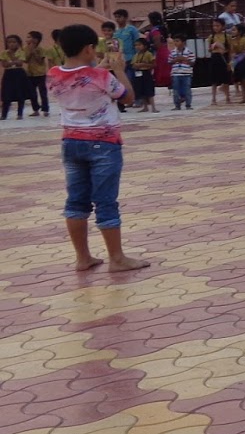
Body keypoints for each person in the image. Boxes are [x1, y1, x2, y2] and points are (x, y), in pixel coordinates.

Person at [47, 22, 148, 272]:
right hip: (103, 143)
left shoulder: (53, 74)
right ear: (90, 49)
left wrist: (98, 70)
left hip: (71, 141)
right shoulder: (101, 77)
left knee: (76, 202)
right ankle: (117, 258)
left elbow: (79, 81)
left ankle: (83, 258)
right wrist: (119, 70)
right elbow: (127, 97)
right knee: (105, 201)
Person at [25, 31, 58, 116]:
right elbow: (26, 60)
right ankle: (35, 109)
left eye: (29, 37)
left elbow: (40, 61)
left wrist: (34, 52)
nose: (27, 39)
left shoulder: (42, 49)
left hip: (41, 74)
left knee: (42, 93)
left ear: (36, 40)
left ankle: (45, 109)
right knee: (32, 93)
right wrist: (30, 51)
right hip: (30, 73)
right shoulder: (25, 49)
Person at [0, 35, 30, 119]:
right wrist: (14, 61)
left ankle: (20, 114)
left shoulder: (21, 52)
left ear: (18, 43)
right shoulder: (3, 53)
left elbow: (20, 63)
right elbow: (4, 64)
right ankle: (4, 115)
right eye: (9, 42)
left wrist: (10, 60)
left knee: (20, 93)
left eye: (14, 42)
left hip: (19, 74)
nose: (11, 44)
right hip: (8, 74)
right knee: (6, 94)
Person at [227, 24, 245, 103]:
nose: (232, 31)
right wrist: (233, 57)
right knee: (241, 80)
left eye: (234, 30)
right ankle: (244, 98)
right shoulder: (233, 40)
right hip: (238, 61)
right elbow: (232, 52)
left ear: (240, 32)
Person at [129, 38, 157, 112]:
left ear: (145, 46)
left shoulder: (148, 54)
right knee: (141, 91)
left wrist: (144, 64)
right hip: (138, 73)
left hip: (146, 73)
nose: (137, 47)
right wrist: (135, 66)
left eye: (139, 45)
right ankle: (145, 107)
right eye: (136, 45)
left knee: (149, 90)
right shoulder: (136, 55)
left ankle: (153, 107)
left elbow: (154, 64)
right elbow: (132, 64)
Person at [207, 18, 232, 105]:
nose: (215, 27)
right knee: (214, 80)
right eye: (214, 26)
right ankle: (213, 99)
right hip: (215, 58)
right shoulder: (211, 37)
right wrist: (213, 46)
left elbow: (229, 50)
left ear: (223, 26)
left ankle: (227, 98)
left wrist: (230, 62)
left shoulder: (227, 37)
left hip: (223, 58)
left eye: (218, 26)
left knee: (226, 80)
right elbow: (209, 49)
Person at [168, 39, 195, 110]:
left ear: (183, 42)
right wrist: (176, 60)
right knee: (176, 90)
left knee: (187, 89)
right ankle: (177, 105)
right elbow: (169, 62)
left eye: (177, 41)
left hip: (186, 73)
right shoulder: (173, 52)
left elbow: (192, 63)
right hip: (176, 73)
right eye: (175, 41)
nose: (175, 43)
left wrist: (184, 59)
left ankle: (188, 105)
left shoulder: (189, 52)